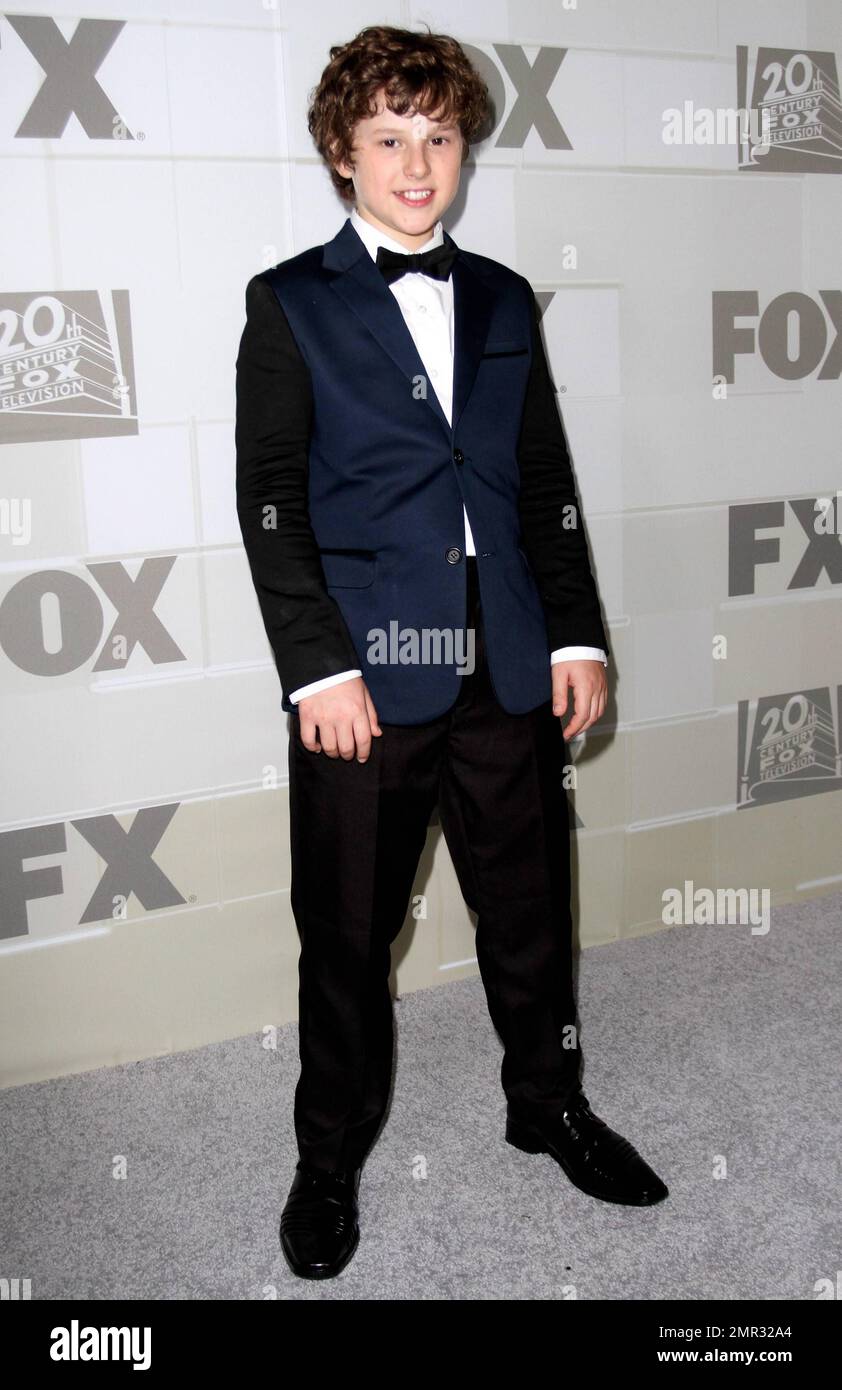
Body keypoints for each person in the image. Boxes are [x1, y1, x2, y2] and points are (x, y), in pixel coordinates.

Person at [235, 24, 668, 1281]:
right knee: (347, 933)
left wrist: (575, 631)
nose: (417, 164)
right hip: (364, 679)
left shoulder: (496, 296)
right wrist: (316, 669)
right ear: (340, 152)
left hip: (507, 662)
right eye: (388, 139)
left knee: (531, 915)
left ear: (463, 145)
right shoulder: (290, 301)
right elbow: (268, 499)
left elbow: (542, 479)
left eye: (438, 136)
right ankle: (328, 1160)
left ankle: (547, 1106)